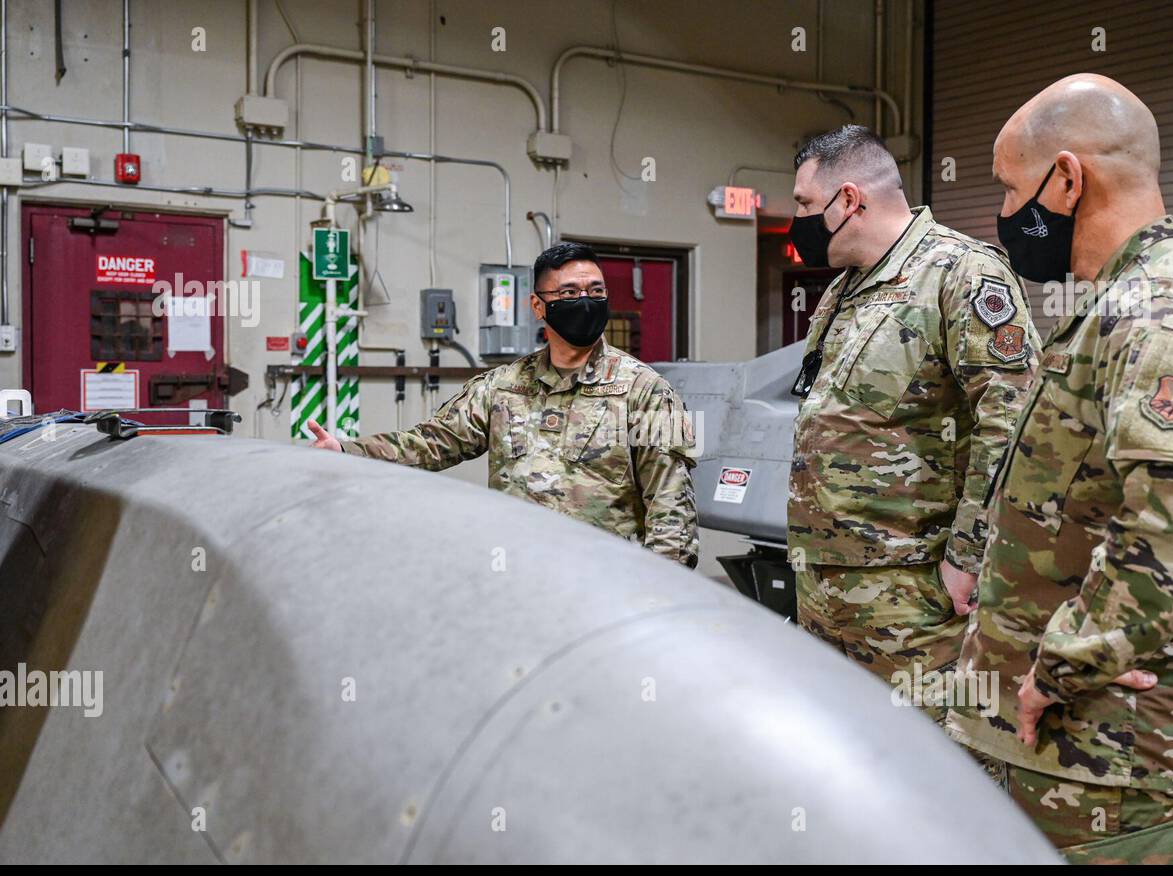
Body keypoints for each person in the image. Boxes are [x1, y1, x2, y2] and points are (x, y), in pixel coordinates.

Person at [945, 74, 1173, 864]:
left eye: (1009, 188)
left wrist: (1065, 666)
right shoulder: (1117, 302)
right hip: (1078, 729)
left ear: (1066, 178)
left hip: (1119, 741)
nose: (1003, 215)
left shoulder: (1162, 309)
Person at [786, 125, 1041, 721]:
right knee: (846, 758)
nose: (798, 218)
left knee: (931, 770)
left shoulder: (960, 274)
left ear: (848, 199)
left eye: (803, 203)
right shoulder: (845, 291)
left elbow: (1012, 425)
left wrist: (968, 560)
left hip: (915, 594)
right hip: (828, 584)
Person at [308, 241, 700, 567]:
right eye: (568, 293)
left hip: (601, 584)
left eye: (595, 291)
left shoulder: (646, 391)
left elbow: (671, 509)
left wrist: (660, 597)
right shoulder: (504, 387)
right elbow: (430, 443)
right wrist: (346, 451)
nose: (585, 301)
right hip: (516, 574)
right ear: (538, 305)